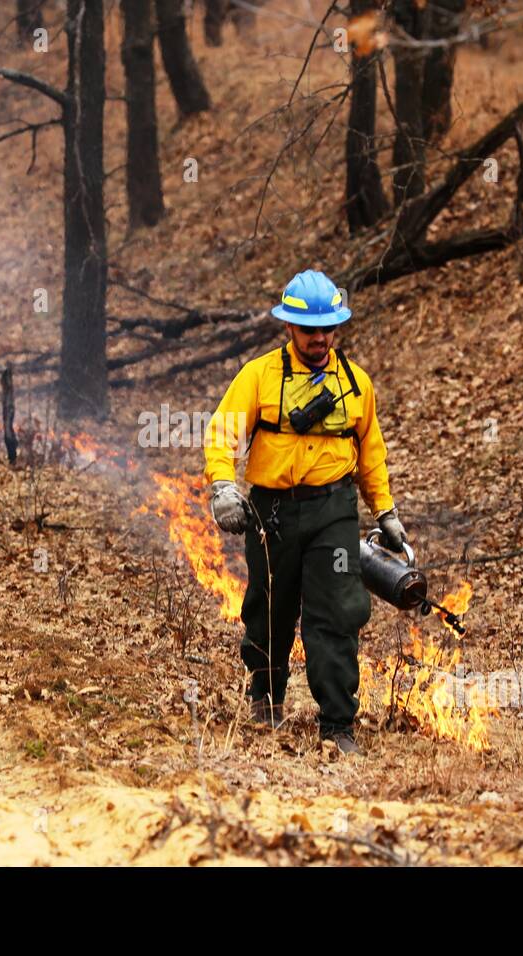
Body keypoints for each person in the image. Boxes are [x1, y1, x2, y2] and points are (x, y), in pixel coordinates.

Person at [202, 269, 409, 756]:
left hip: (334, 512)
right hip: (271, 512)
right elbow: (222, 432)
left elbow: (371, 453)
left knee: (336, 611)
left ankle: (337, 724)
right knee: (268, 608)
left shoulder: (357, 385)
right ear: (288, 328)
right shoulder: (258, 377)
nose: (319, 339)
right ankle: (265, 699)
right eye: (309, 329)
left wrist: (386, 513)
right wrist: (223, 487)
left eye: (327, 329)